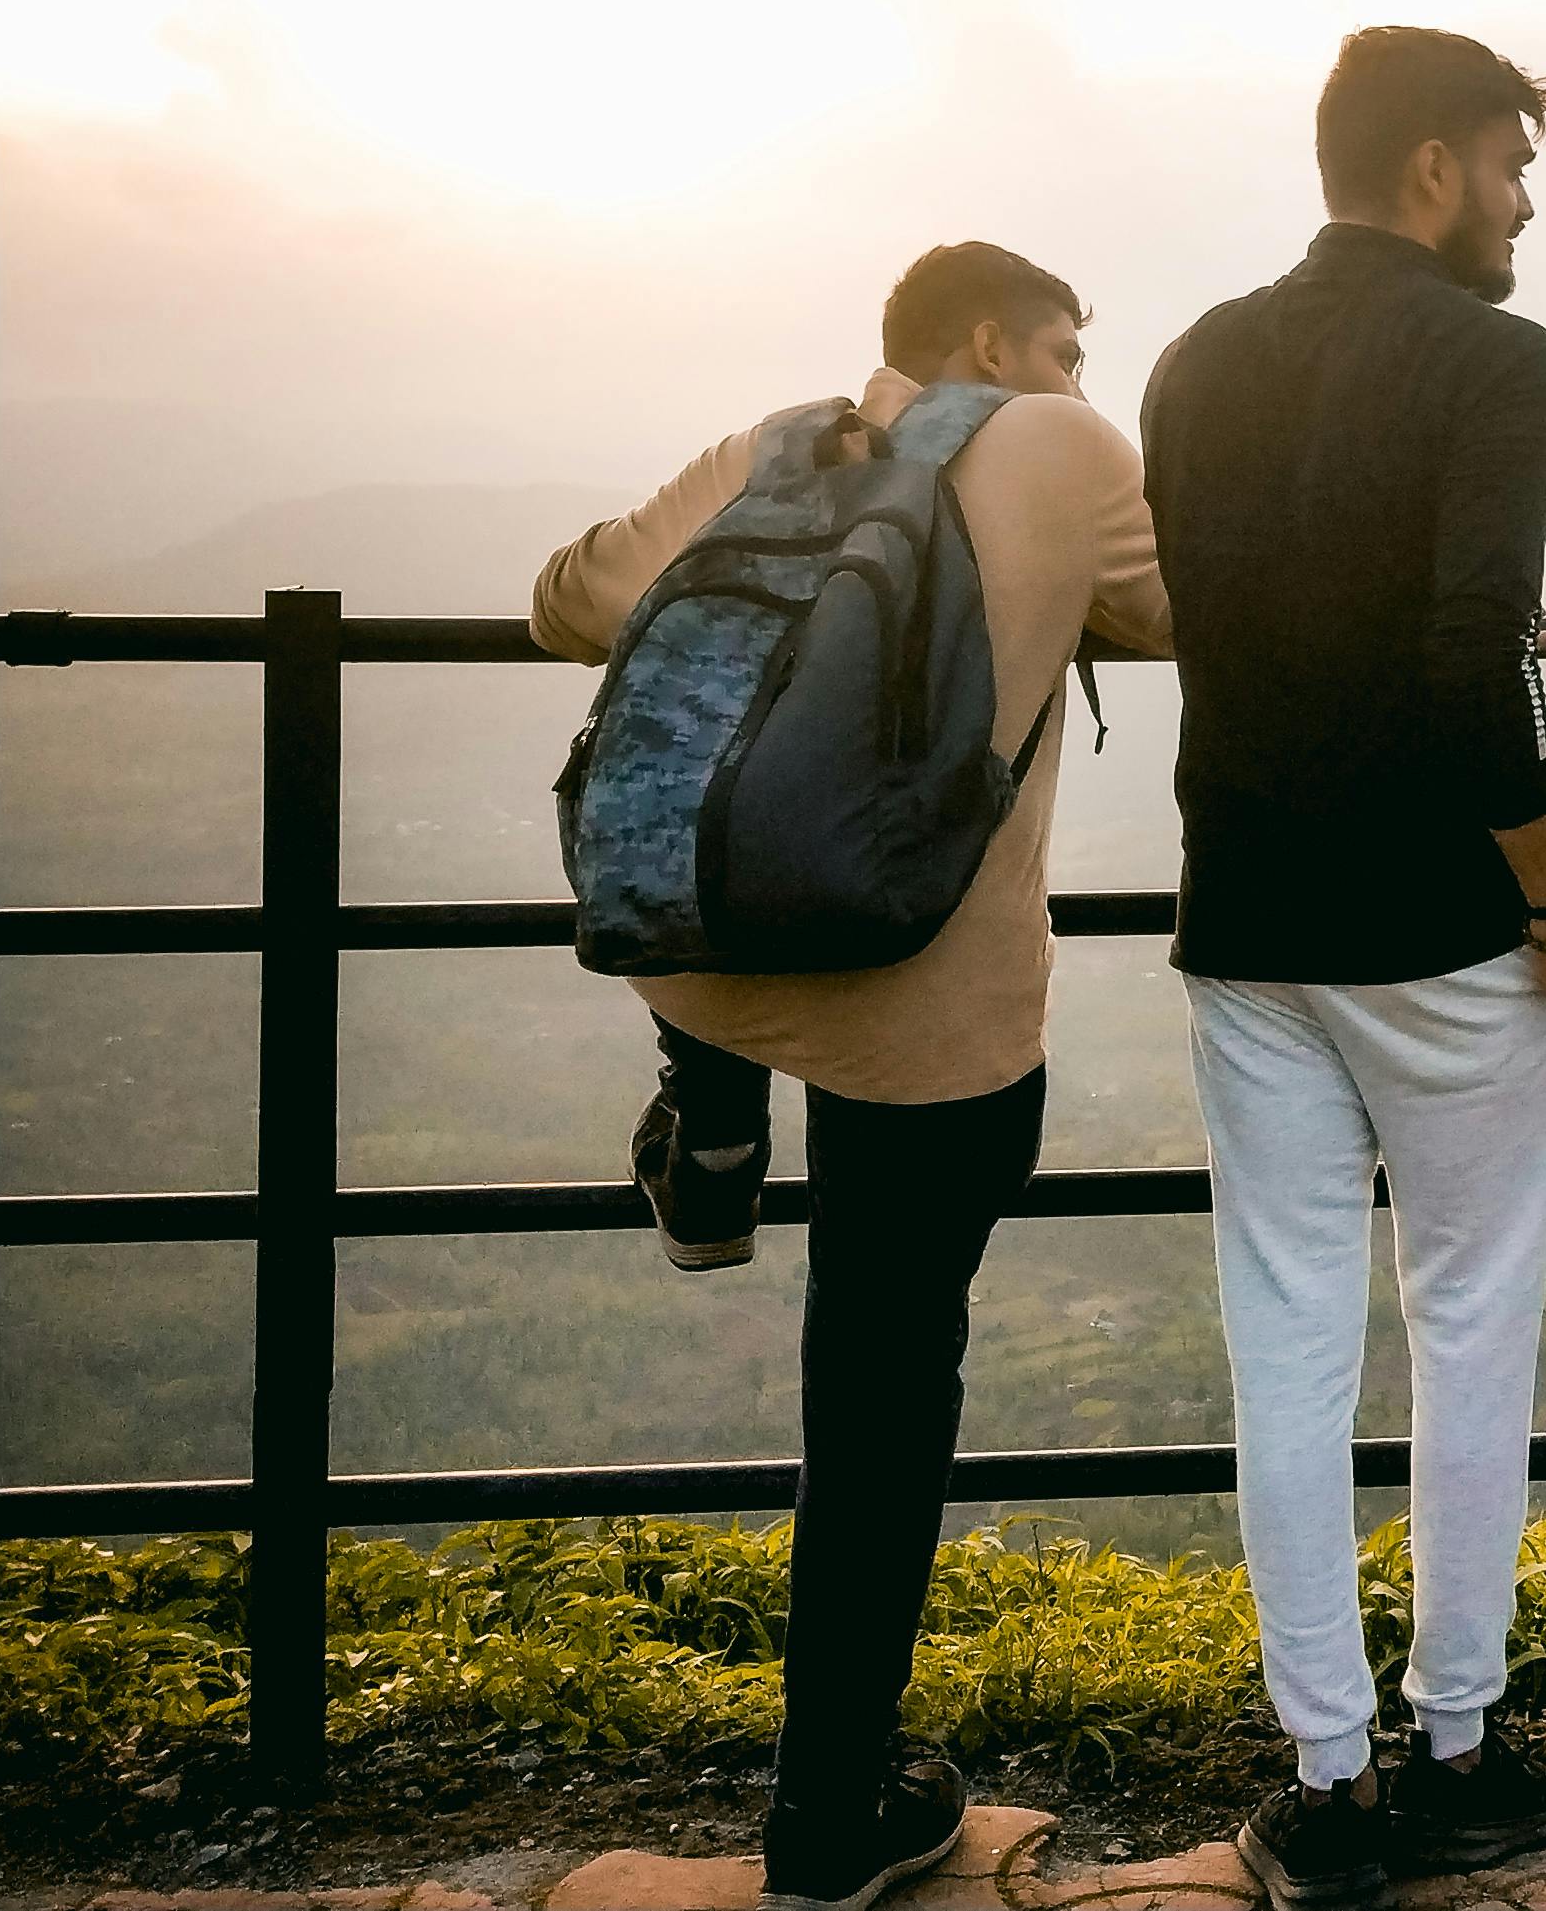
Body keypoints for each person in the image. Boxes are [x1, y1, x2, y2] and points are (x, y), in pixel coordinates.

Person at [532, 241, 1172, 1909]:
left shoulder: (776, 444)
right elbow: (1192, 609)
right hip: (920, 1004)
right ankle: (829, 1808)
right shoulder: (1065, 451)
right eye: (1066, 344)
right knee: (879, 1389)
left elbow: (572, 603)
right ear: (986, 343)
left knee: (731, 989)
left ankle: (711, 1108)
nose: (1084, 378)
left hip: (691, 939)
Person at [1140, 26, 1546, 1907]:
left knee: (1289, 1341)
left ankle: (1323, 1779)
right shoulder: (1501, 361)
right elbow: (1469, 657)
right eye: (1506, 162)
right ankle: (1463, 1746)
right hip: (1441, 934)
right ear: (1428, 166)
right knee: (1471, 1322)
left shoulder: (1188, 360)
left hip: (1247, 916)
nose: (1521, 199)